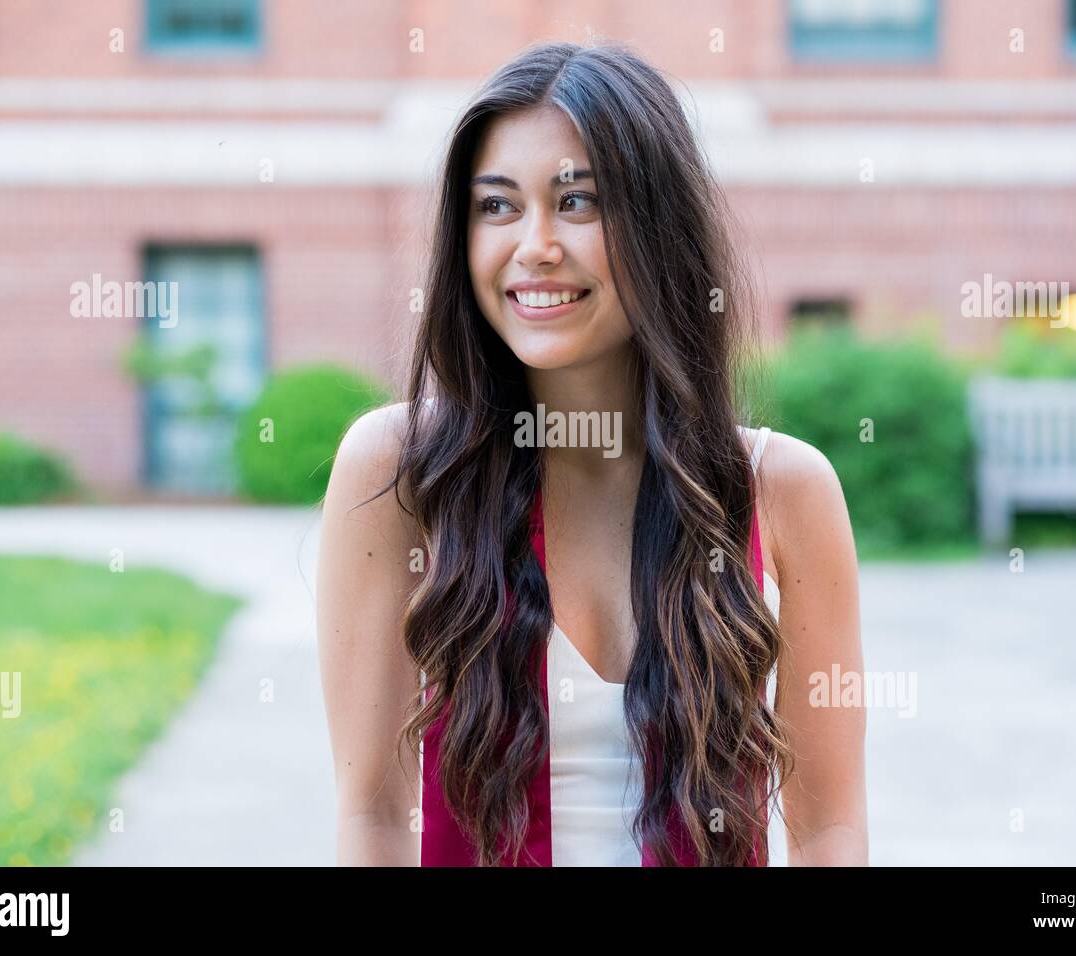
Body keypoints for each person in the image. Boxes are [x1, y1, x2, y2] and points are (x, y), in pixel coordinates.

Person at [317, 41, 866, 866]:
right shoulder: (400, 471)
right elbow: (373, 815)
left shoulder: (780, 488)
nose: (534, 244)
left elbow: (829, 825)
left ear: (657, 225)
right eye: (496, 207)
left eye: (578, 202)